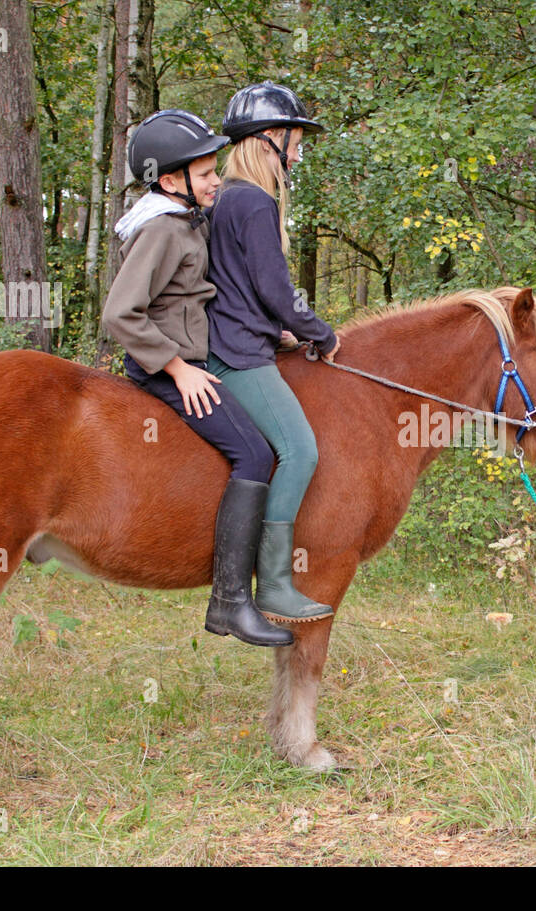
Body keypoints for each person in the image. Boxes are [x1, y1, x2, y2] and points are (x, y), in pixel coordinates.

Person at [101, 108, 293, 648]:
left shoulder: (187, 219)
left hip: (192, 357)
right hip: (166, 369)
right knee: (255, 455)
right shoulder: (161, 229)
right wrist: (178, 368)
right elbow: (121, 314)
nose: (216, 180)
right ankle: (231, 602)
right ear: (170, 180)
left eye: (215, 171)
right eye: (207, 174)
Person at [204, 81, 340, 624]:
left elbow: (235, 285)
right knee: (301, 450)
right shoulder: (255, 201)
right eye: (295, 138)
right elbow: (274, 290)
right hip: (236, 355)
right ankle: (276, 584)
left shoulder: (223, 198)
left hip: (235, 336)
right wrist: (319, 332)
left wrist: (278, 332)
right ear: (268, 140)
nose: (300, 149)